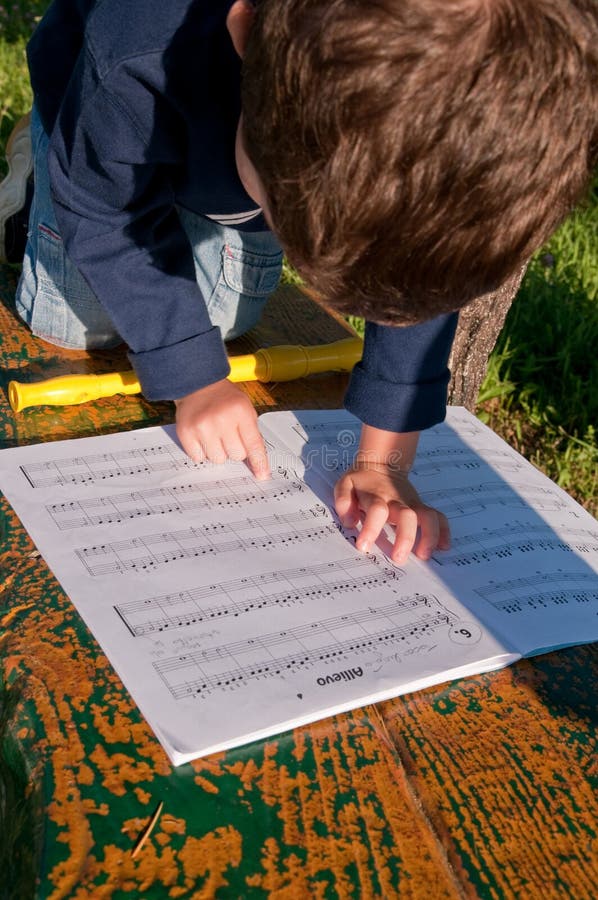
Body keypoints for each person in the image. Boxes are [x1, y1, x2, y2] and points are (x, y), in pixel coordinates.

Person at [0, 0, 596, 565]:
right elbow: (106, 214)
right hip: (100, 128)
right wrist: (194, 377)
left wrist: (383, 458)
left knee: (225, 320)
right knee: (76, 324)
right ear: (248, 33)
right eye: (287, 222)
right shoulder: (140, 41)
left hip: (241, 150)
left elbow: (412, 269)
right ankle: (36, 169)